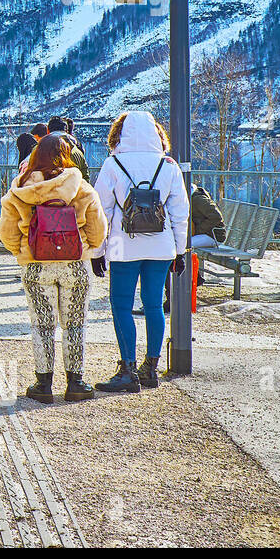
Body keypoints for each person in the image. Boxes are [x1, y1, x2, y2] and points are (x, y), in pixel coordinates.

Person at [0, 133, 108, 402]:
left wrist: (23, 252)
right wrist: (85, 249)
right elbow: (99, 231)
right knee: (75, 324)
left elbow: (7, 233)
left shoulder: (19, 191)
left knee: (42, 324)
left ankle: (43, 385)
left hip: (36, 266)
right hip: (75, 265)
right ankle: (76, 383)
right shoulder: (81, 188)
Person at [90, 111, 190, 391]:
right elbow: (180, 212)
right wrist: (180, 251)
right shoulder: (168, 165)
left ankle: (127, 371)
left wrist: (98, 251)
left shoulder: (113, 164)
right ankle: (150, 369)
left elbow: (102, 212)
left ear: (119, 134)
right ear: (156, 134)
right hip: (161, 247)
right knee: (154, 305)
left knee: (121, 305)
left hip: (124, 245)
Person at [48, 115, 89, 181]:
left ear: (48, 130)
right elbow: (85, 175)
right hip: (75, 188)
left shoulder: (40, 149)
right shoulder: (77, 149)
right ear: (66, 130)